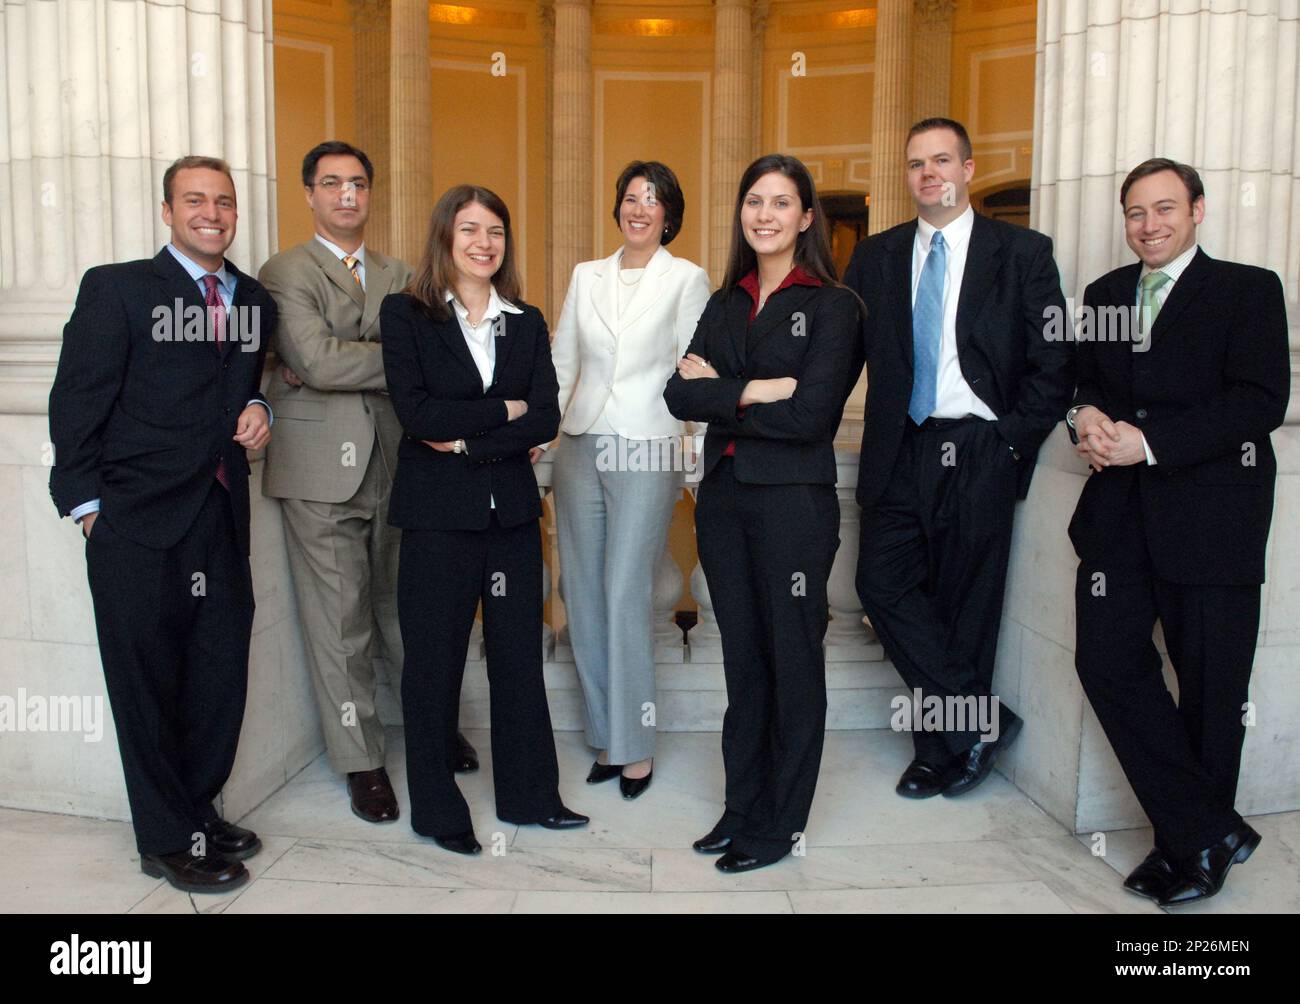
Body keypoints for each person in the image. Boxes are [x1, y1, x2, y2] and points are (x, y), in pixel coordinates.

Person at [48, 155, 277, 893]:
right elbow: (76, 401)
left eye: (224, 202)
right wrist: (89, 511)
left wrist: (260, 408)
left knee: (217, 674)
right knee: (145, 686)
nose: (212, 213)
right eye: (195, 200)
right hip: (135, 522)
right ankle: (167, 838)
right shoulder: (117, 288)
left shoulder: (253, 299)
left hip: (219, 512)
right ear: (168, 211)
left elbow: (240, 385)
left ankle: (197, 810)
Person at [1067, 158, 1290, 905]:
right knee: (1105, 663)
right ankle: (1207, 830)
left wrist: (1151, 443)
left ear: (1197, 210)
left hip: (1212, 520)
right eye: (1136, 211)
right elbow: (1086, 382)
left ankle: (1187, 848)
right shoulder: (1104, 295)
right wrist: (1084, 416)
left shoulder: (1249, 289)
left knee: (1211, 690)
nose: (1149, 224)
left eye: (1165, 208)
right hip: (1118, 519)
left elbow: (1259, 401)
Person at [845, 117, 1074, 799]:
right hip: (898, 445)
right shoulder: (876, 257)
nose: (929, 174)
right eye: (917, 163)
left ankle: (938, 753)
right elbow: (840, 353)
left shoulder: (1022, 251)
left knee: (964, 605)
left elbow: (1054, 359)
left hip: (979, 445)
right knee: (881, 585)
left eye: (942, 160)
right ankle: (979, 723)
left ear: (968, 170)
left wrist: (1010, 441)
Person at [259, 141, 476, 826]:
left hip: (399, 464)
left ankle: (434, 727)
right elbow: (318, 362)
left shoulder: (400, 272)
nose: (346, 195)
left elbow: (435, 355)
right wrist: (390, 362)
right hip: (319, 472)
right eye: (331, 183)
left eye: (357, 183)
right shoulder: (285, 270)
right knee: (341, 624)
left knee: (410, 613)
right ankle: (362, 762)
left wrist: (334, 363)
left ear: (370, 194)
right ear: (310, 194)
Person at [663, 154, 862, 873]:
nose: (765, 215)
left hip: (793, 506)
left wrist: (725, 388)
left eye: (781, 202)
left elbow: (812, 417)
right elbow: (678, 394)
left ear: (806, 217)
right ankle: (741, 805)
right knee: (743, 661)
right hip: (723, 499)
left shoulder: (835, 306)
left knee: (792, 661)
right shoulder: (726, 301)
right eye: (754, 201)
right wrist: (761, 388)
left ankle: (780, 823)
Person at [380, 184, 588, 854]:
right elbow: (418, 414)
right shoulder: (406, 314)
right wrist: (504, 412)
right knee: (433, 663)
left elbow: (546, 416)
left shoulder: (525, 320)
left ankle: (532, 796)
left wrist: (467, 439)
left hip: (512, 518)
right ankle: (437, 810)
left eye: (495, 231)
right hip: (437, 518)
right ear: (445, 235)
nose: (483, 243)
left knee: (518, 659)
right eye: (469, 229)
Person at [548, 161, 711, 799]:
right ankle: (604, 735)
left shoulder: (686, 278)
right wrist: (541, 428)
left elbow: (694, 367)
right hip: (580, 442)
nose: (639, 208)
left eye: (652, 199)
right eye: (630, 197)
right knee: (583, 591)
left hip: (647, 444)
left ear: (669, 214)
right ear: (617, 206)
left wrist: (698, 445)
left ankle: (635, 744)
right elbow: (564, 360)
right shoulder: (585, 275)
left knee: (624, 591)